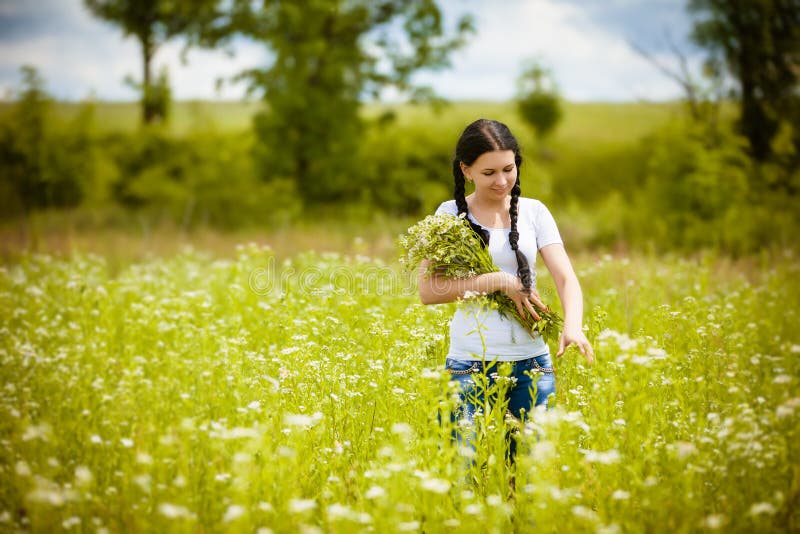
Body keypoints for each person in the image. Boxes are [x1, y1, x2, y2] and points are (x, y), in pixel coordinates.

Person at [418, 118, 594, 468]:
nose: (501, 181)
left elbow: (566, 279)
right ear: (466, 170)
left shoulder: (534, 212)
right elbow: (429, 290)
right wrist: (500, 281)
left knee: (528, 483)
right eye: (488, 173)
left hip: (532, 364)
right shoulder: (448, 214)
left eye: (508, 169)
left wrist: (573, 326)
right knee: (460, 478)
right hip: (467, 367)